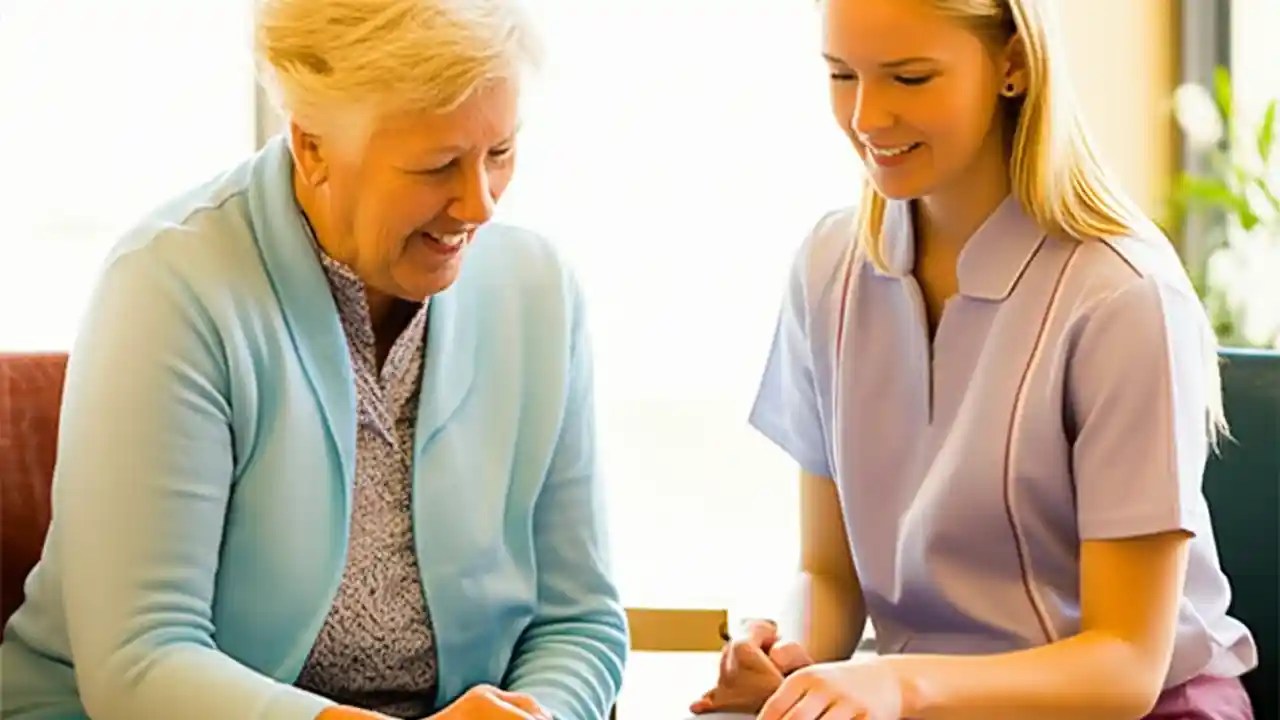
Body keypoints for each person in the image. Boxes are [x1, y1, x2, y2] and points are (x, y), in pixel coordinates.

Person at [0, 1, 627, 718]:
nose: (479, 205)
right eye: (438, 165)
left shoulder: (539, 294)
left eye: (500, 153)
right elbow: (141, 665)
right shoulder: (170, 288)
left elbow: (578, 623)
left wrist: (541, 712)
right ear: (314, 148)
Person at [692, 0, 1258, 718]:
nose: (866, 116)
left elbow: (1125, 664)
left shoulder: (1122, 296)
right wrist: (788, 656)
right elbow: (829, 573)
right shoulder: (828, 269)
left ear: (1013, 65)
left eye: (910, 78)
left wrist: (898, 684)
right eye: (841, 75)